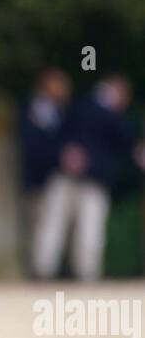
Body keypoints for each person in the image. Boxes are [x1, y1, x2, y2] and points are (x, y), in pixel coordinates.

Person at [30, 75, 144, 281]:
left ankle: (49, 271)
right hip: (85, 179)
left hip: (75, 177)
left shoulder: (77, 106)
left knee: (62, 226)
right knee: (82, 227)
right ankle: (81, 274)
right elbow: (127, 142)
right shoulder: (111, 115)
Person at [17, 68, 71, 276]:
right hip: (39, 178)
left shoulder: (60, 111)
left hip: (52, 179)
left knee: (47, 227)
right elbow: (33, 145)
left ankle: (44, 269)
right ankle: (40, 271)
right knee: (39, 225)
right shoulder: (33, 109)